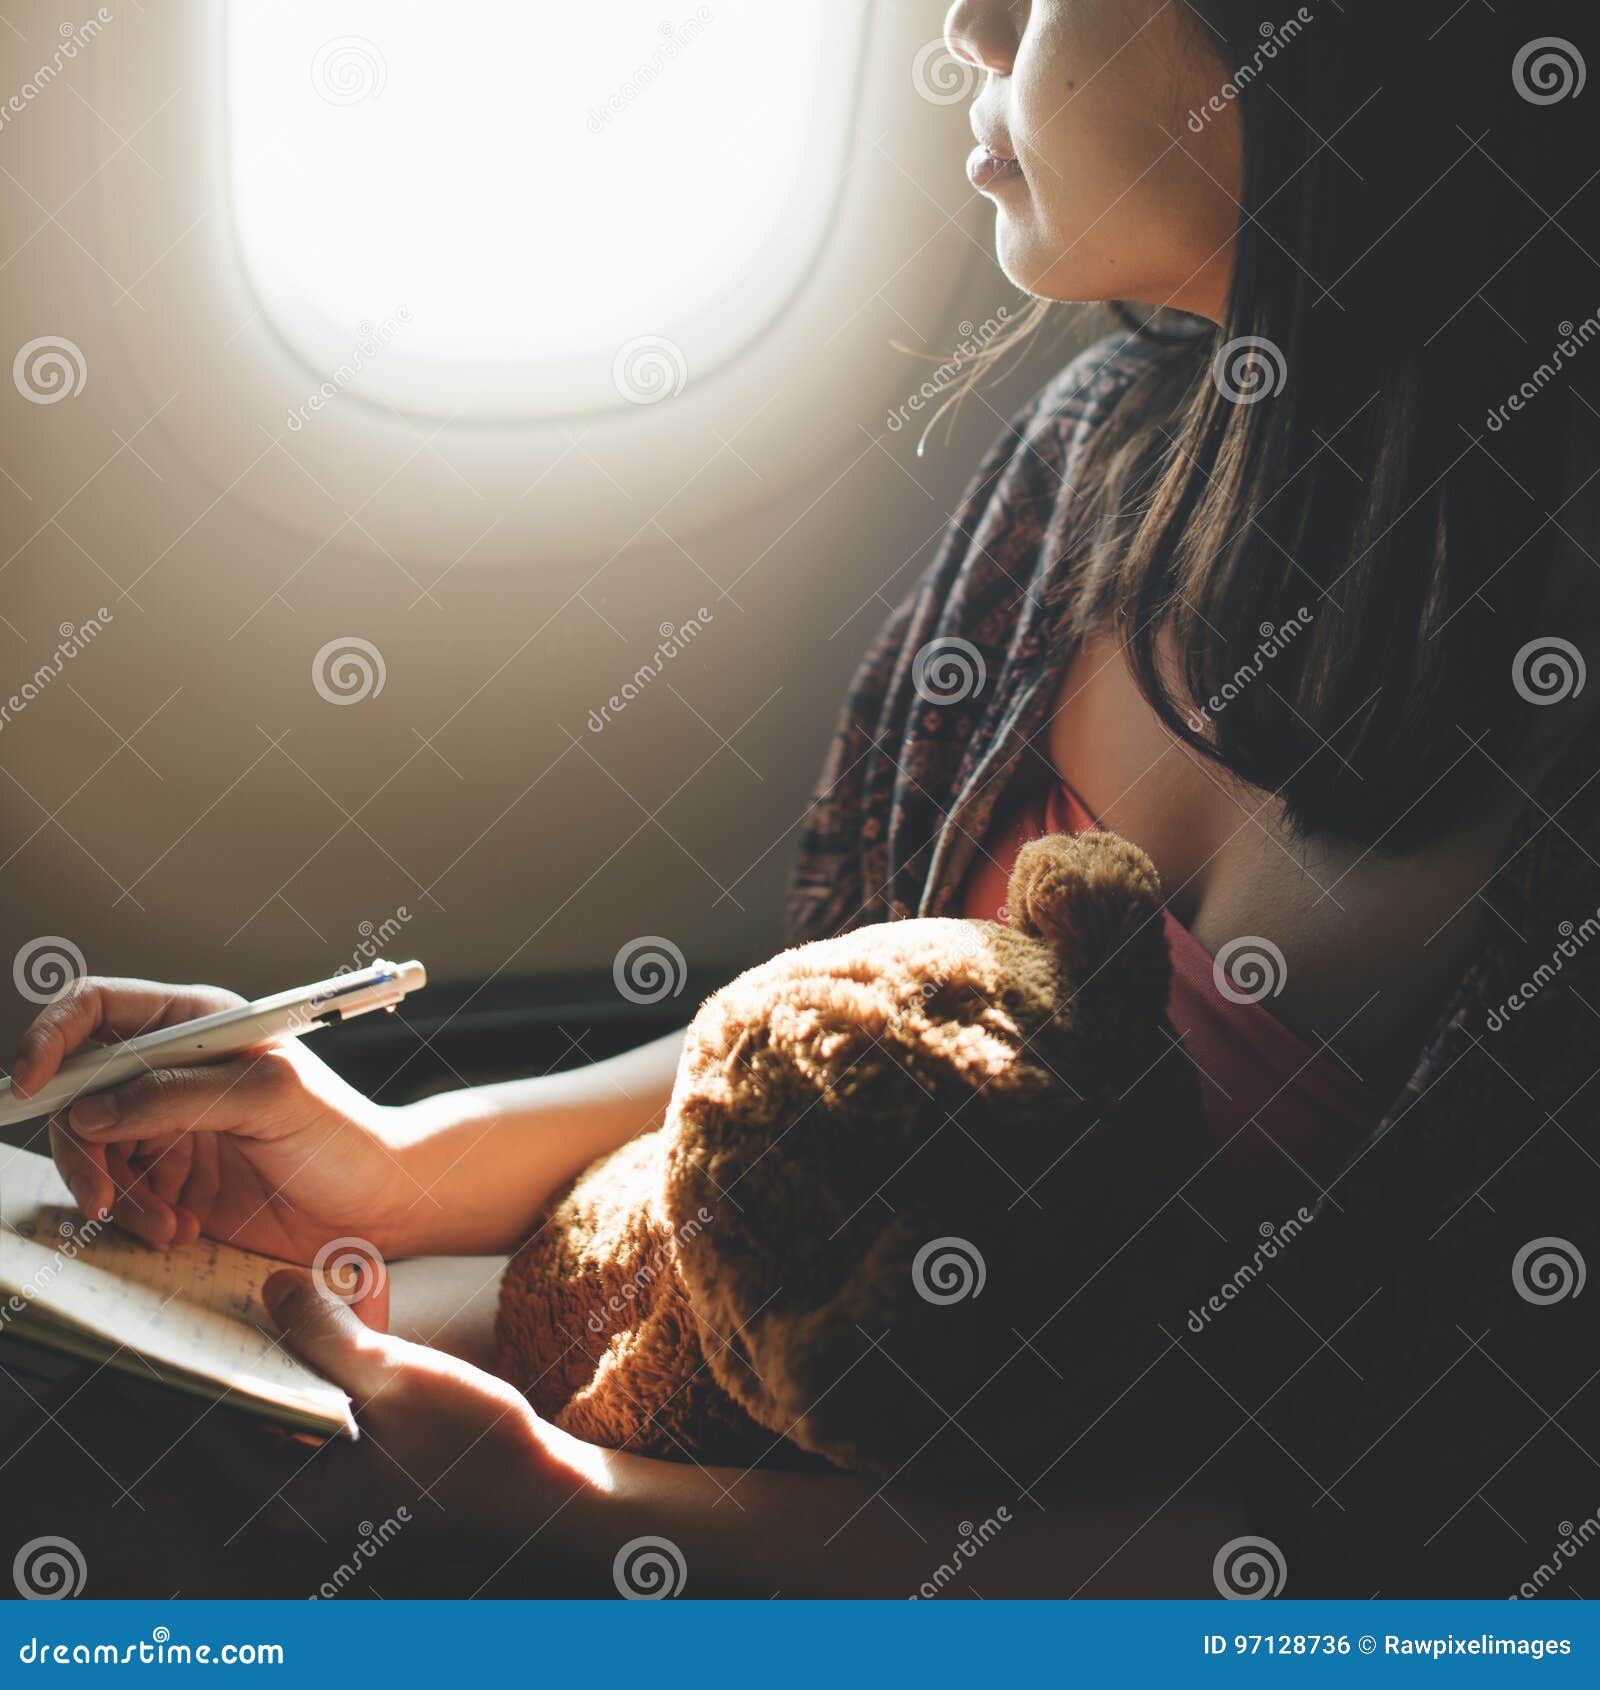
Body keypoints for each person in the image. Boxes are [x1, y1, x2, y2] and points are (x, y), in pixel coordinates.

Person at [15, 0, 1600, 1597]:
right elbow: (828, 1055)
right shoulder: (1089, 474)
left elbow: (1433, 1535)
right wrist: (389, 1154)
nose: (971, 23)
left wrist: (596, 1524)